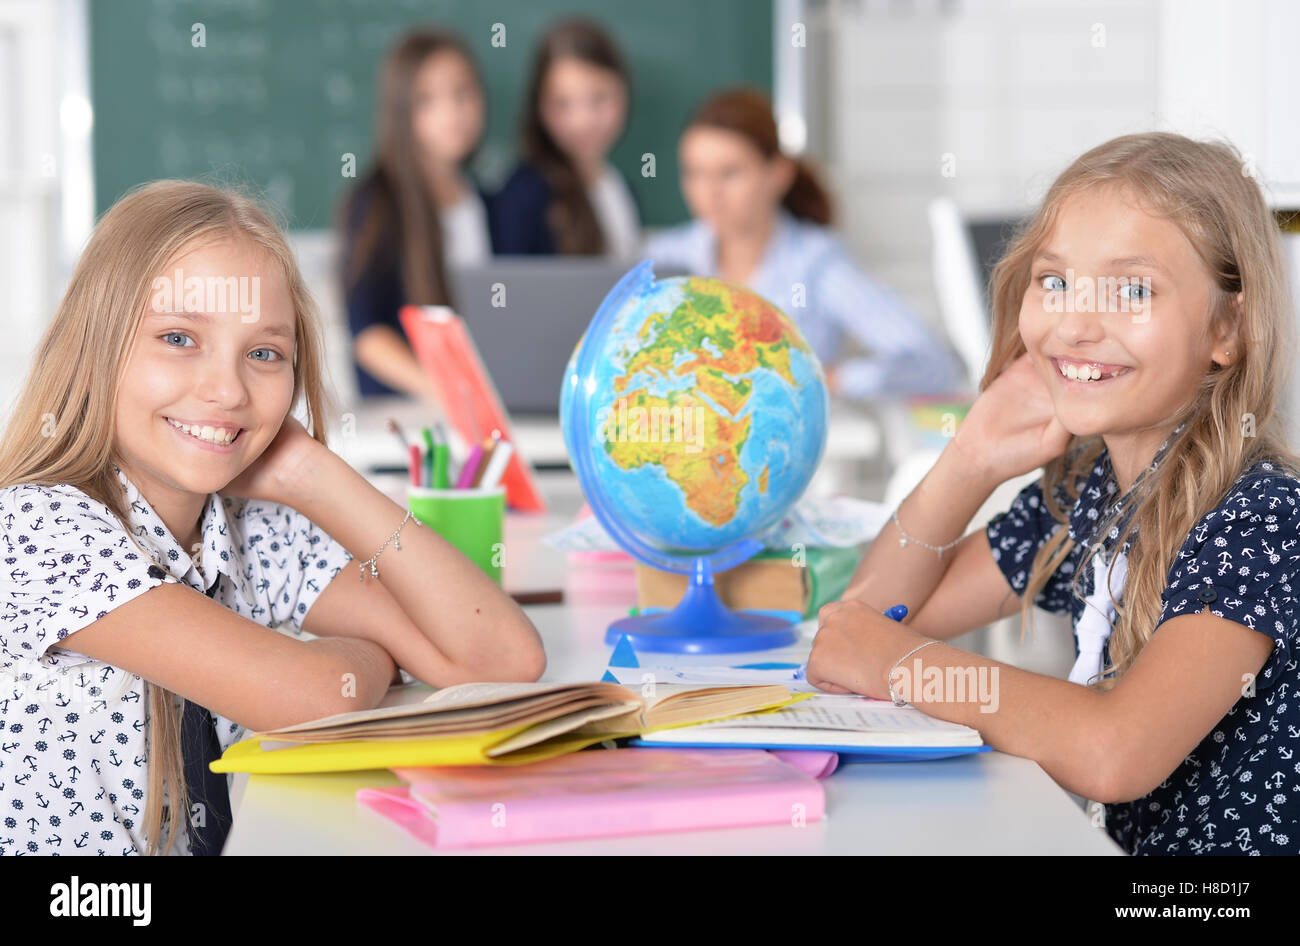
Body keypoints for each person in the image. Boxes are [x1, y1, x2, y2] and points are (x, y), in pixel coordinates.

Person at [0, 180, 544, 856]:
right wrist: (369, 657)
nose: (228, 391)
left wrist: (315, 476)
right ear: (96, 347)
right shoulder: (36, 528)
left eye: (264, 354)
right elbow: (309, 695)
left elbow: (501, 658)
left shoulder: (251, 526)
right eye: (178, 338)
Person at [807, 132, 1300, 855]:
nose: (1074, 324)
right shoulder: (1084, 495)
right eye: (1055, 280)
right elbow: (870, 621)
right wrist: (970, 458)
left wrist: (897, 664)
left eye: (1133, 290)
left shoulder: (1265, 520)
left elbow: (1115, 750)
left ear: (1225, 327)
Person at [644, 87, 964, 401]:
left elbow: (931, 363)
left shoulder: (815, 262)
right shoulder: (665, 258)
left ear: (778, 173)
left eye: (729, 173)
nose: (709, 192)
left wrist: (823, 379)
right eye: (695, 173)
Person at [340, 28, 492, 399]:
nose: (451, 113)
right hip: (410, 417)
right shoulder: (376, 204)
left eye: (463, 93)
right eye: (427, 100)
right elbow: (368, 334)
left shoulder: (491, 202)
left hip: (482, 408)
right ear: (400, 111)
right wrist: (447, 392)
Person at [488, 18, 641, 258]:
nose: (583, 121)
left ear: (624, 92)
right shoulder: (523, 195)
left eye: (599, 98)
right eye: (563, 104)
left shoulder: (621, 187)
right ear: (539, 107)